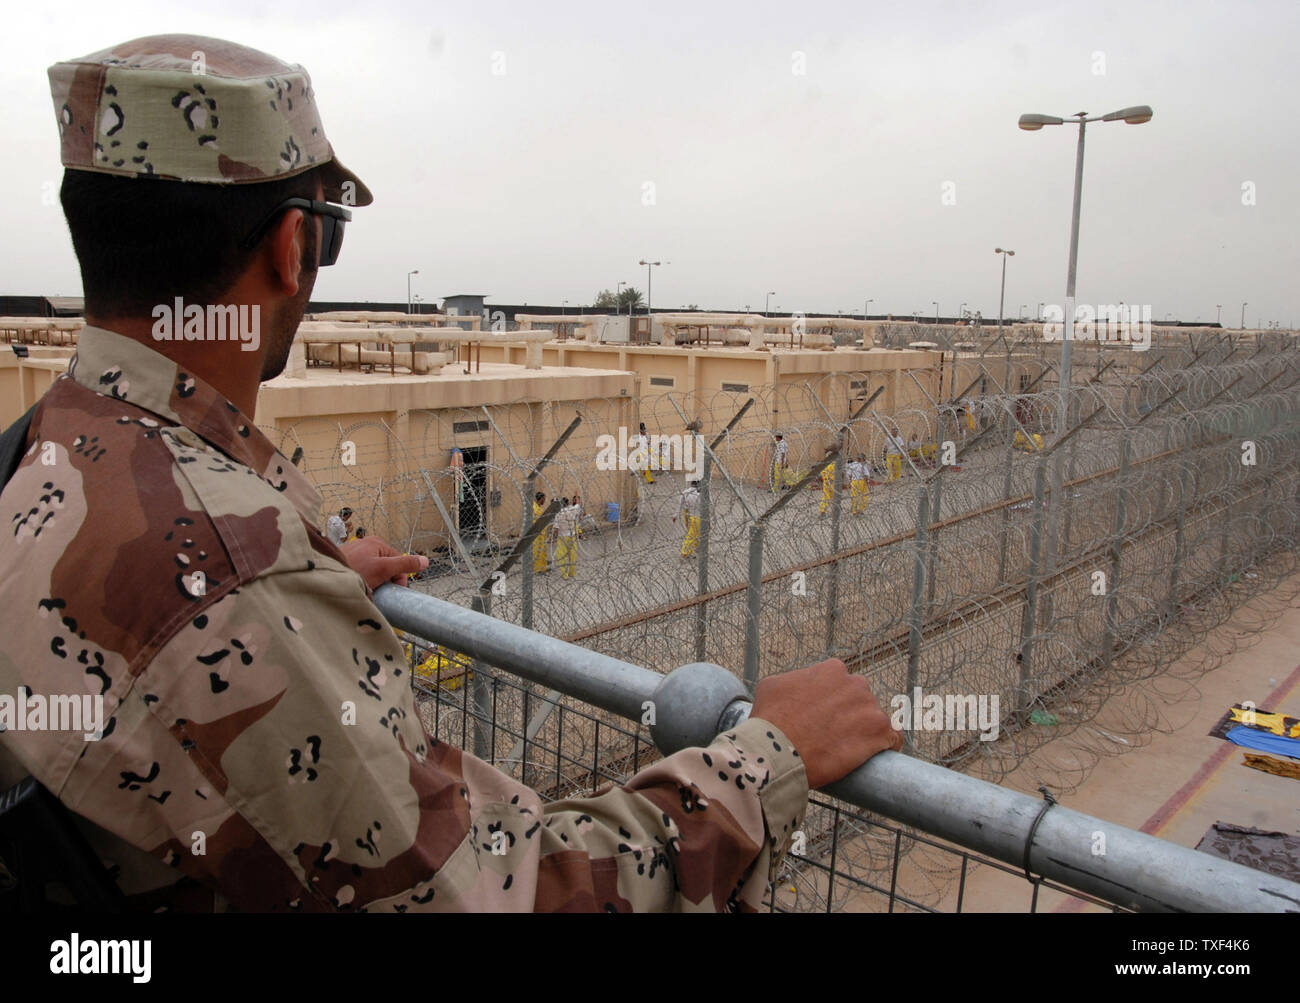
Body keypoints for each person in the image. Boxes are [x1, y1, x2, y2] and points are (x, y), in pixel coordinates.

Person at [0, 34, 901, 914]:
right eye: (327, 235)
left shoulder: (44, 447)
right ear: (291, 247)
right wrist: (765, 758)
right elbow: (489, 895)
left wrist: (292, 591)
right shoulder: (224, 578)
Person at [552, 495, 581, 579]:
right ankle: (572, 573)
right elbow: (577, 505)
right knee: (573, 555)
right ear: (568, 503)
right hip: (572, 535)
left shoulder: (558, 514)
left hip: (562, 536)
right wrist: (576, 496)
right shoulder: (572, 510)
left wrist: (554, 539)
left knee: (562, 556)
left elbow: (556, 529)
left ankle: (565, 575)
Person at [674, 479, 702, 558]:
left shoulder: (685, 492)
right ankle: (685, 552)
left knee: (693, 532)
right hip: (698, 517)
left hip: (687, 514)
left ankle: (694, 548)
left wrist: (675, 515)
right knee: (692, 534)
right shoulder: (700, 494)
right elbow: (709, 506)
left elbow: (680, 504)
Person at [531, 490, 549, 574]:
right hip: (536, 534)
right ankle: (537, 569)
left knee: (542, 552)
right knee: (537, 552)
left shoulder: (539, 508)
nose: (544, 501)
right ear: (541, 499)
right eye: (544, 499)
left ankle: (543, 568)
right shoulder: (534, 508)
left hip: (542, 534)